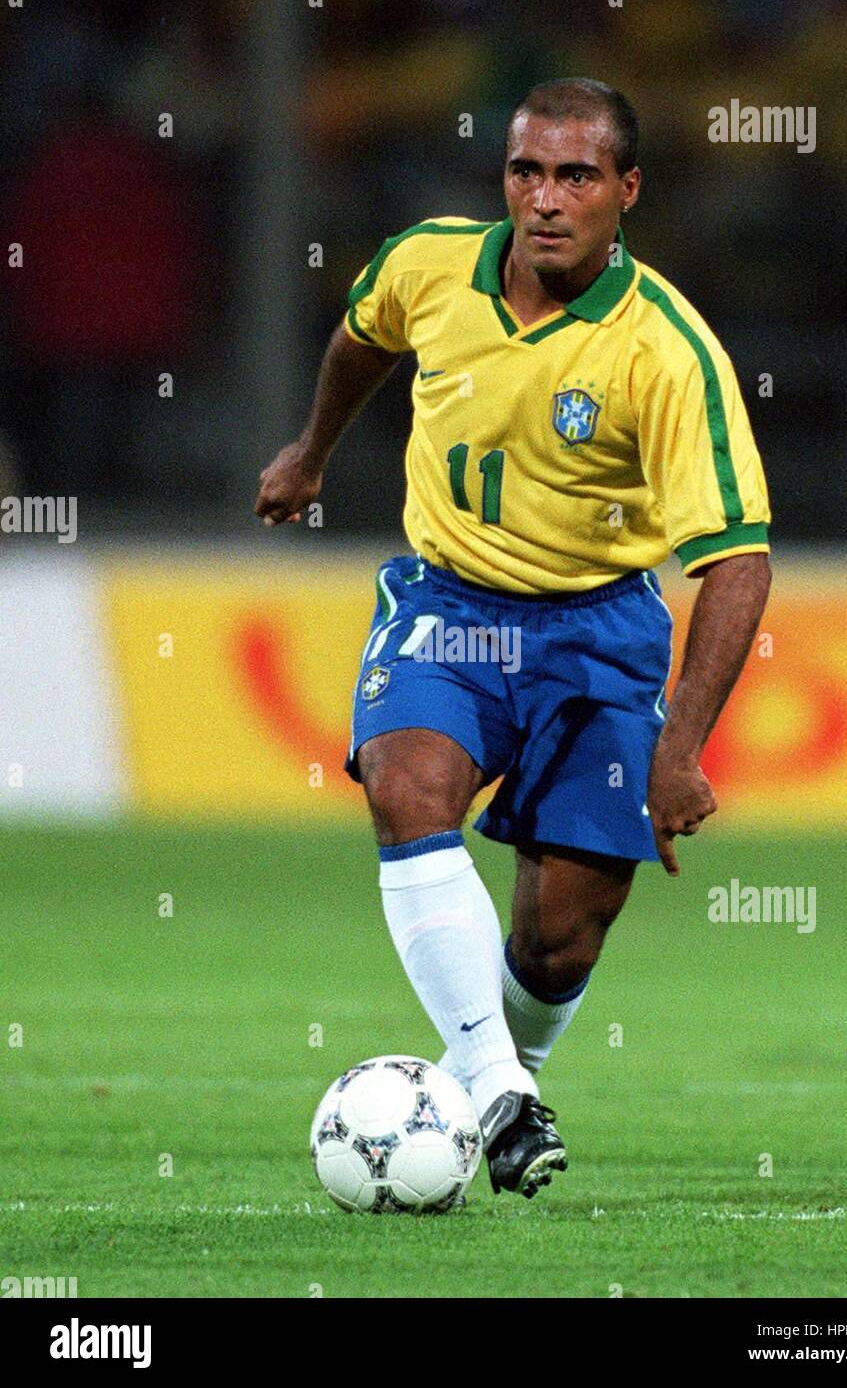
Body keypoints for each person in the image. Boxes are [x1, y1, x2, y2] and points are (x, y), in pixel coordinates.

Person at [255, 79, 772, 1199]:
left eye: (576, 176)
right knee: (405, 783)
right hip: (449, 606)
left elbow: (735, 561)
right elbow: (359, 338)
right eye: (526, 171)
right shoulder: (429, 263)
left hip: (596, 633)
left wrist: (680, 748)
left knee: (559, 942)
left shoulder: (669, 352)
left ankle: (470, 1089)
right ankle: (500, 1102)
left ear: (626, 192)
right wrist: (311, 452)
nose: (546, 199)